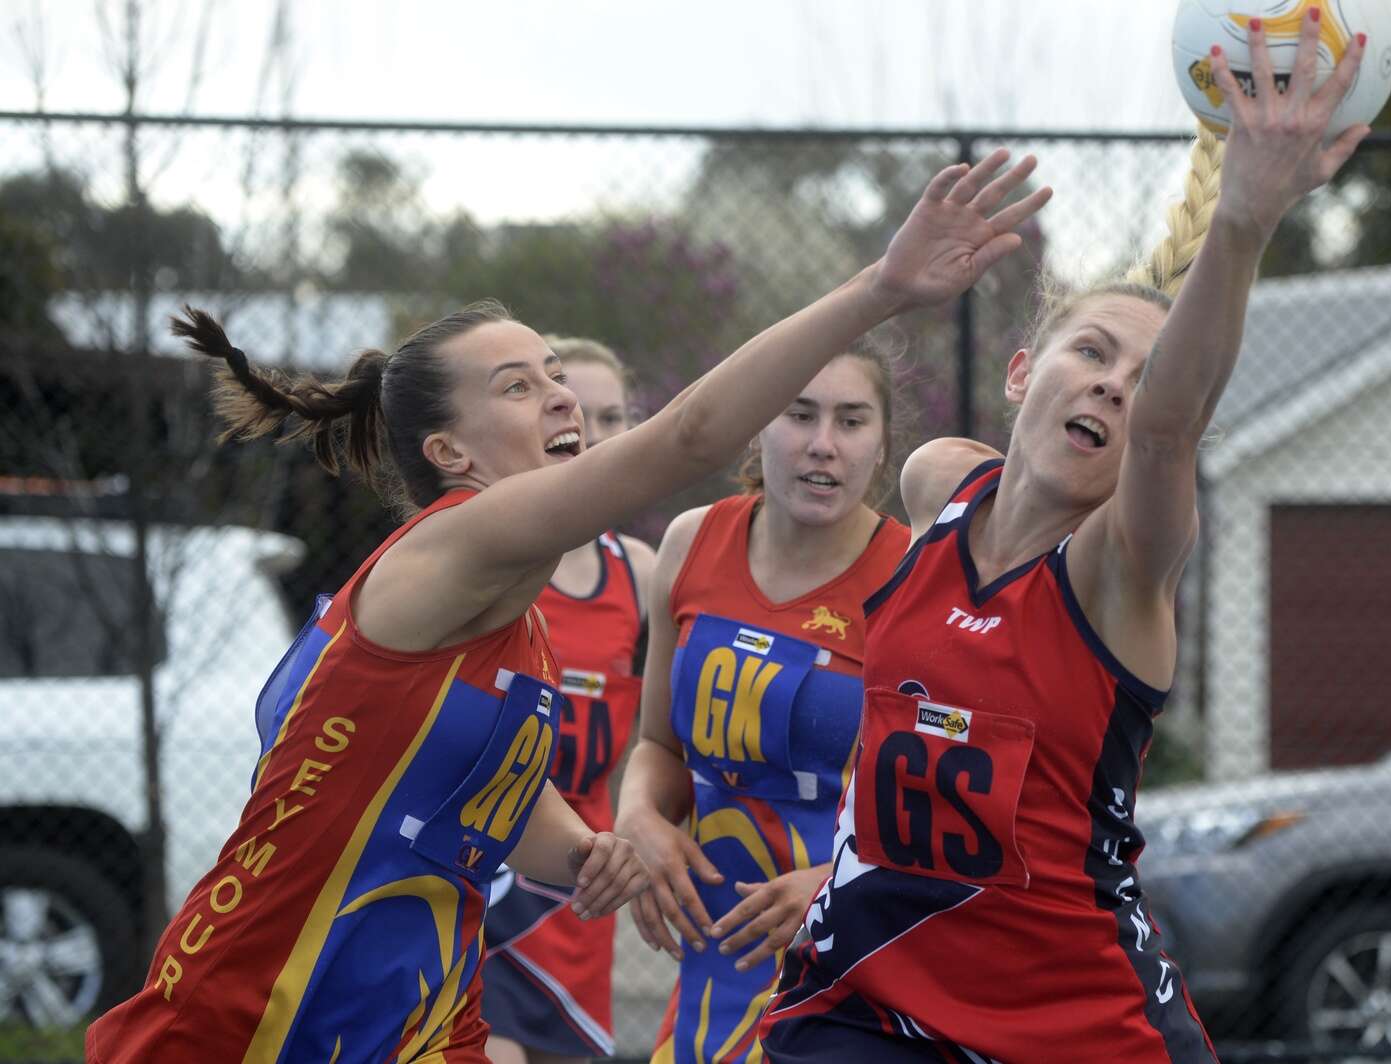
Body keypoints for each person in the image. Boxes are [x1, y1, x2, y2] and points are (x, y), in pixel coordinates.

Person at [82, 146, 1050, 1064]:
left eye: (556, 375)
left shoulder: (514, 615)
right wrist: (878, 290)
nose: (560, 399)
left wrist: (592, 849)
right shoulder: (454, 544)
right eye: (518, 386)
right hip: (256, 1009)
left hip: (419, 1016)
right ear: (450, 455)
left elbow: (491, 792)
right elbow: (687, 437)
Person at [760, 14, 1369, 1063]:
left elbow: (1172, 420)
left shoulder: (1117, 574)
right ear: (1019, 370)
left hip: (1075, 1024)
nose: (1111, 382)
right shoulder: (937, 482)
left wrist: (1240, 224)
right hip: (869, 996)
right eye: (1089, 350)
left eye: (1138, 378)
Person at [615, 340, 911, 1064]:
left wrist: (830, 885)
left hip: (846, 972)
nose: (822, 445)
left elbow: (926, 818)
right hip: (716, 966)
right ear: (757, 426)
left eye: (850, 421)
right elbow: (659, 743)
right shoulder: (692, 542)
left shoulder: (914, 576)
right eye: (798, 414)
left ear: (882, 448)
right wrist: (639, 817)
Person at [481, 337, 656, 1064]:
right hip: (490, 870)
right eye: (578, 414)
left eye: (614, 417)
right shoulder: (491, 557)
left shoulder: (643, 573)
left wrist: (652, 826)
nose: (593, 435)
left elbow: (658, 742)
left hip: (583, 876)